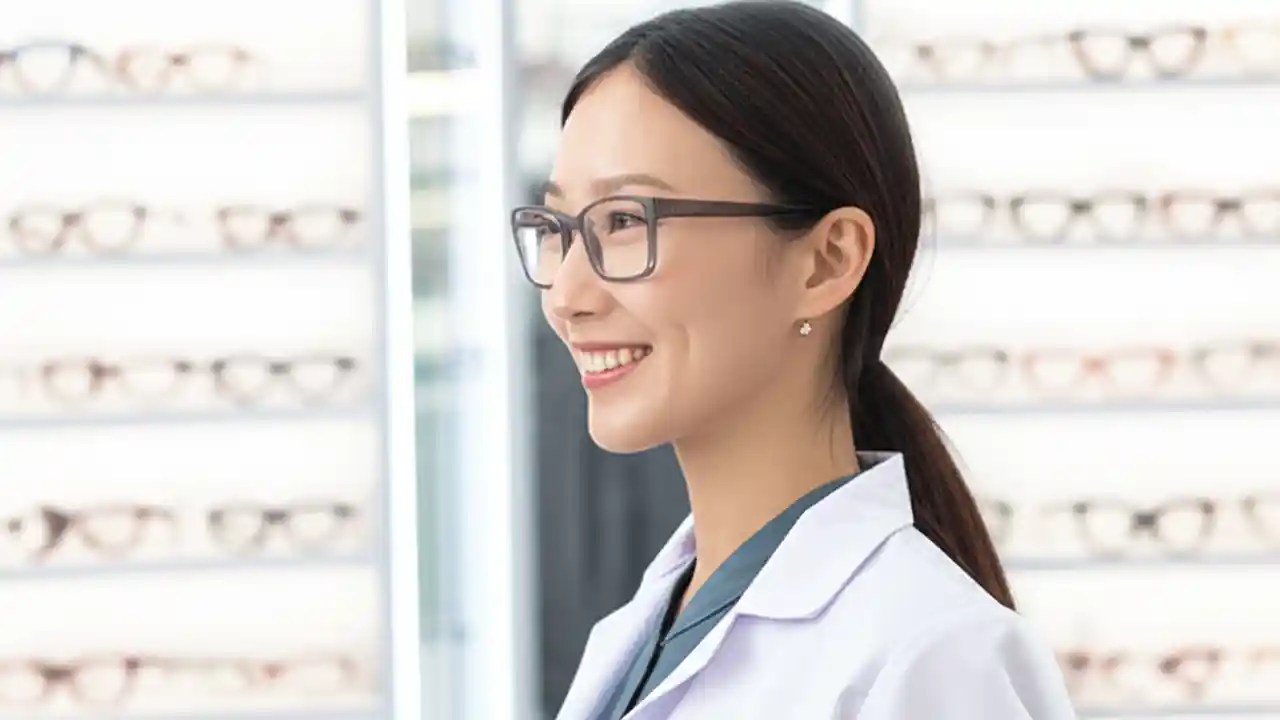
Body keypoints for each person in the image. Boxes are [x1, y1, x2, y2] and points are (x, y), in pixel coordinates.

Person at [510, 2, 1077, 718]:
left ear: (825, 262)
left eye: (625, 222)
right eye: (558, 227)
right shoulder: (636, 636)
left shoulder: (930, 656)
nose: (565, 295)